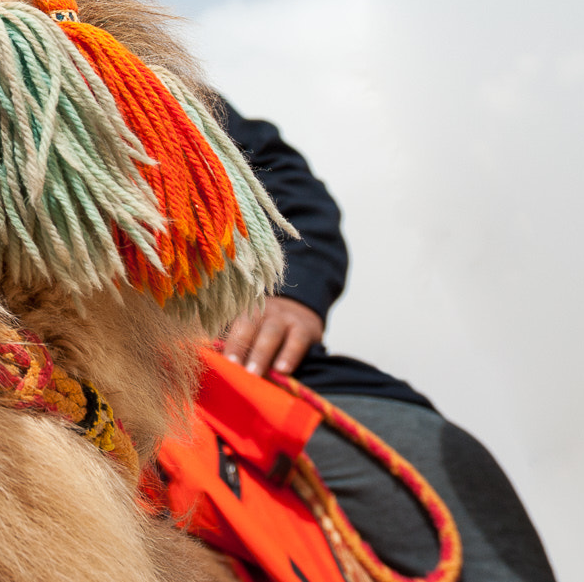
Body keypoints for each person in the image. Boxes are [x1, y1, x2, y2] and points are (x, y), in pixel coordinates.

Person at [212, 96, 557, 582]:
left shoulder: (110, 51)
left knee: (437, 481)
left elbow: (274, 175)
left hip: (236, 369)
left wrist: (293, 291)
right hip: (85, 387)